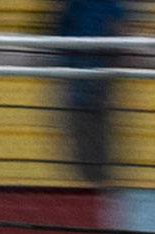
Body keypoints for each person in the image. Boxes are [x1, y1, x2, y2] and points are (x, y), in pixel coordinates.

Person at [51, 0, 128, 187]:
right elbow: (116, 28)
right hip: (86, 74)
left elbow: (115, 28)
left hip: (87, 74)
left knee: (89, 141)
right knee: (88, 142)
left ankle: (93, 185)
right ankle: (93, 184)